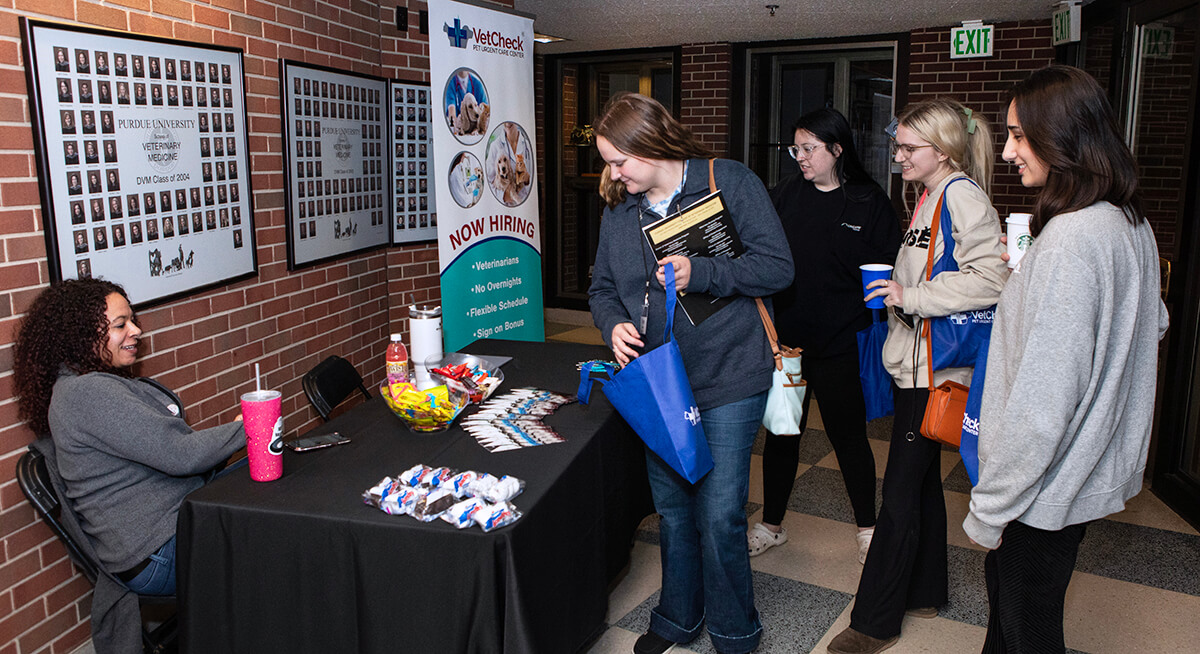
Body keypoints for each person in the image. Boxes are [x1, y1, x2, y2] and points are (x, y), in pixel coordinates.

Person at [962, 65, 1169, 653]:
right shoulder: (1130, 222)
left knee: (1026, 624)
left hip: (1042, 485)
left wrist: (992, 507)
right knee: (1013, 609)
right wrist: (1037, 285)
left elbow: (1044, 399)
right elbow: (1152, 322)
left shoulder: (1073, 238)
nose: (1006, 153)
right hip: (1080, 472)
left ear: (1064, 138)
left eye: (1019, 136)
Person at [588, 92, 793, 654]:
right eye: (608, 161)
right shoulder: (620, 209)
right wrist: (612, 326)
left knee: (721, 513)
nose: (613, 172)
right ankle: (679, 616)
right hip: (659, 380)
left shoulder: (727, 181)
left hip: (730, 372)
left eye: (619, 160)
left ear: (649, 144)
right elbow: (602, 287)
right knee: (674, 510)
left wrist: (700, 271)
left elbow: (777, 266)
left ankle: (734, 630)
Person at [828, 98, 1006, 654]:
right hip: (915, 362)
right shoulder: (929, 195)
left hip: (935, 367)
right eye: (898, 144)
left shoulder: (962, 196)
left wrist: (913, 296)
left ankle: (875, 622)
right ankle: (925, 590)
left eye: (909, 147)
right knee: (923, 482)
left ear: (944, 150)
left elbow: (993, 279)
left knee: (900, 493)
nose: (897, 155)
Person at [12, 279, 246, 599]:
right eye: (120, 324)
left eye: (132, 320)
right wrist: (248, 426)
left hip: (159, 536)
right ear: (81, 336)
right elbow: (180, 454)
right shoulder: (88, 393)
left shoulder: (77, 387)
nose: (136, 330)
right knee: (273, 522)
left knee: (264, 491)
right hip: (157, 553)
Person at [750, 108, 900, 561]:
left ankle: (868, 528)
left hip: (841, 343)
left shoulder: (867, 200)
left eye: (809, 149)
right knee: (781, 433)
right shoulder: (786, 196)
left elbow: (892, 266)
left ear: (837, 150)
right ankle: (772, 525)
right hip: (789, 346)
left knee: (847, 437)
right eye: (796, 148)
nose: (800, 157)